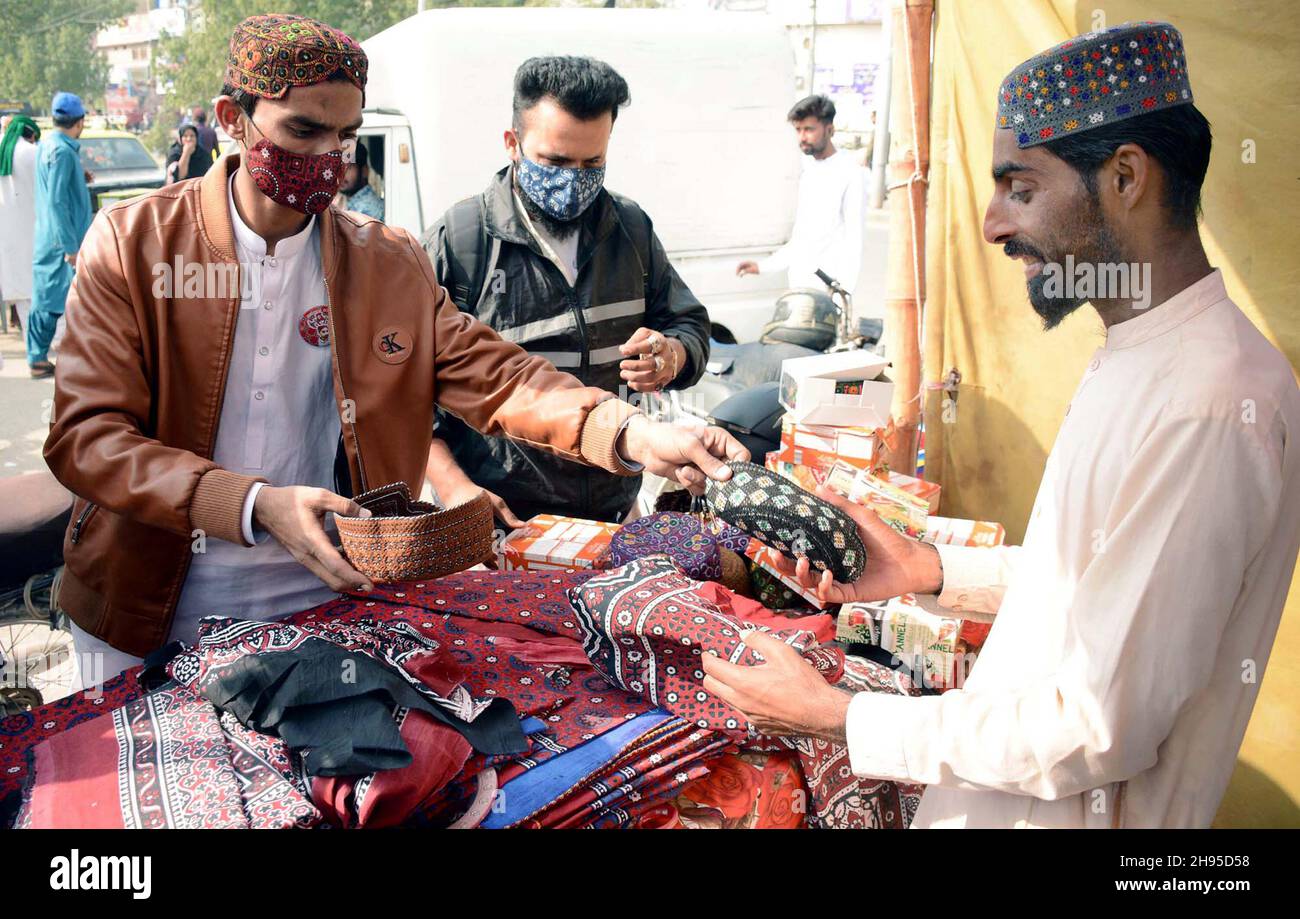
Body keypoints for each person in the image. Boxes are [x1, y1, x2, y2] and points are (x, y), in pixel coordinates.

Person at [702, 22, 1300, 829]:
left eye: (1020, 188)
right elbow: (1102, 581)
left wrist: (838, 715)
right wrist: (930, 569)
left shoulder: (1209, 403)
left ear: (1125, 176)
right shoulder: (1142, 353)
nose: (991, 225)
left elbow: (1095, 727)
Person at [44, 14, 747, 687]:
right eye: (303, 130)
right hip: (145, 604)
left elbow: (496, 375)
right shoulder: (135, 245)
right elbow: (87, 437)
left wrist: (629, 431)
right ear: (232, 119)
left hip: (321, 592)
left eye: (344, 136)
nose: (326, 158)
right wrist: (255, 504)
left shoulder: (385, 262)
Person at [422, 56, 712, 527]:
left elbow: (689, 324)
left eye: (592, 162)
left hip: (614, 506)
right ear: (512, 144)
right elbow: (405, 394)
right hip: (500, 517)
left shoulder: (630, 229)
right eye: (555, 162)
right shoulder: (460, 241)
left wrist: (673, 355)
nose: (573, 180)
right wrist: (456, 488)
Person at [736, 94, 866, 293]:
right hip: (799, 290)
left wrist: (843, 293)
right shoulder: (808, 171)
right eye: (798, 130)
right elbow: (802, 240)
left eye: (809, 129)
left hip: (829, 292)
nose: (802, 137)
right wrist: (763, 267)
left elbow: (853, 241)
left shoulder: (850, 173)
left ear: (830, 130)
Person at [29, 92, 92, 379]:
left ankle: (41, 355)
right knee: (51, 299)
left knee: (51, 295)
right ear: (78, 122)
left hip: (51, 233)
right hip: (61, 239)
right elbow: (57, 200)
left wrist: (80, 175)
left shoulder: (48, 145)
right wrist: (70, 246)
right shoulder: (63, 152)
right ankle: (38, 358)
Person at [0, 115, 41, 338]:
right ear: (31, 133)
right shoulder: (31, 153)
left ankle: (31, 342)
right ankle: (39, 347)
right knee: (38, 289)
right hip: (33, 228)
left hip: (7, 233)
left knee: (19, 289)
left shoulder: (3, 149)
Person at [340, 141, 382, 219]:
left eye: (348, 168)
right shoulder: (353, 204)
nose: (340, 174)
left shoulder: (365, 210)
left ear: (364, 171)